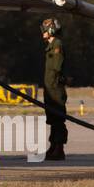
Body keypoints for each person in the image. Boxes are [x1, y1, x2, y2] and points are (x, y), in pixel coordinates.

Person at [41, 17, 67, 161]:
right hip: (50, 88)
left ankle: (59, 148)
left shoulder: (57, 45)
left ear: (51, 30)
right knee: (52, 119)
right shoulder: (50, 46)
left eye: (45, 29)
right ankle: (53, 146)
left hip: (55, 88)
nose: (43, 32)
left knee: (58, 119)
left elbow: (57, 68)